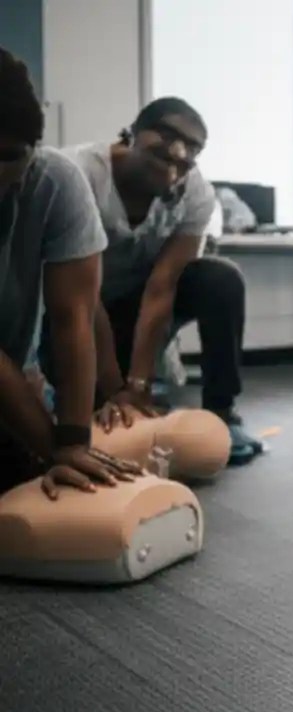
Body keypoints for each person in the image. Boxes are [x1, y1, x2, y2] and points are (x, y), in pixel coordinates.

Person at [57, 98, 262, 464]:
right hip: (71, 309)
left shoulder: (196, 193)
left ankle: (222, 412)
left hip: (136, 303)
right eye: (163, 145)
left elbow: (162, 286)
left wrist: (138, 384)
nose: (173, 166)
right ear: (131, 136)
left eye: (186, 158)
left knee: (221, 279)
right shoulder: (77, 176)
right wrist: (115, 387)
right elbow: (82, 298)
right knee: (90, 411)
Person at [0, 47, 140, 499]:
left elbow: (73, 316)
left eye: (8, 158)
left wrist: (73, 440)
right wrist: (52, 448)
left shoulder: (54, 181)